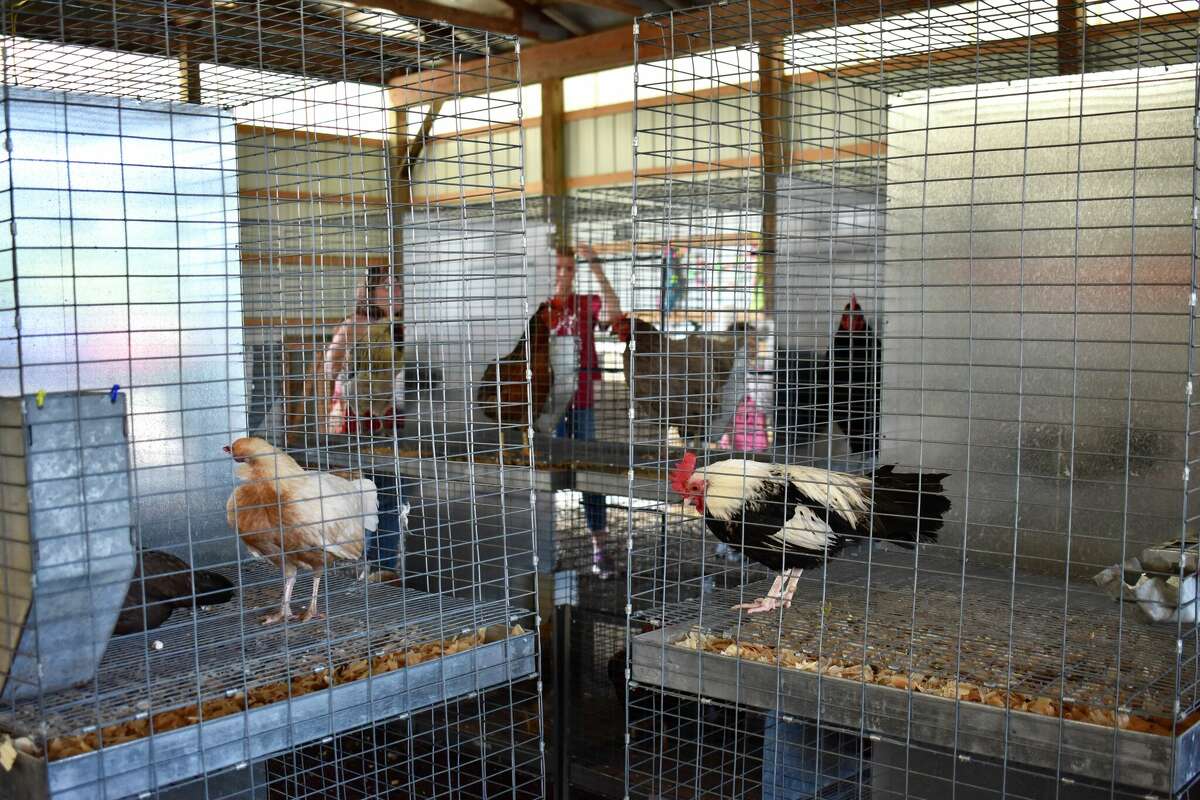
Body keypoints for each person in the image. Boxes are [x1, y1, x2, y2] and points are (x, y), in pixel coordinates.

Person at [322, 269, 408, 583]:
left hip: (392, 419)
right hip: (358, 421)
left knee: (393, 492)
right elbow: (331, 370)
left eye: (398, 287)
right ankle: (361, 565)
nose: (396, 292)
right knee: (365, 492)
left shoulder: (402, 328)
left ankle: (381, 566)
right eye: (388, 287)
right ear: (369, 293)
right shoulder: (354, 325)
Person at [549, 244, 623, 579]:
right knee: (544, 476)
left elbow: (614, 313)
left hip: (581, 402)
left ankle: (600, 549)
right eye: (557, 268)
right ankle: (544, 549)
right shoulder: (538, 306)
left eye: (569, 268)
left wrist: (595, 265)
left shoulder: (584, 303)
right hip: (544, 407)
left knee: (589, 473)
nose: (563, 275)